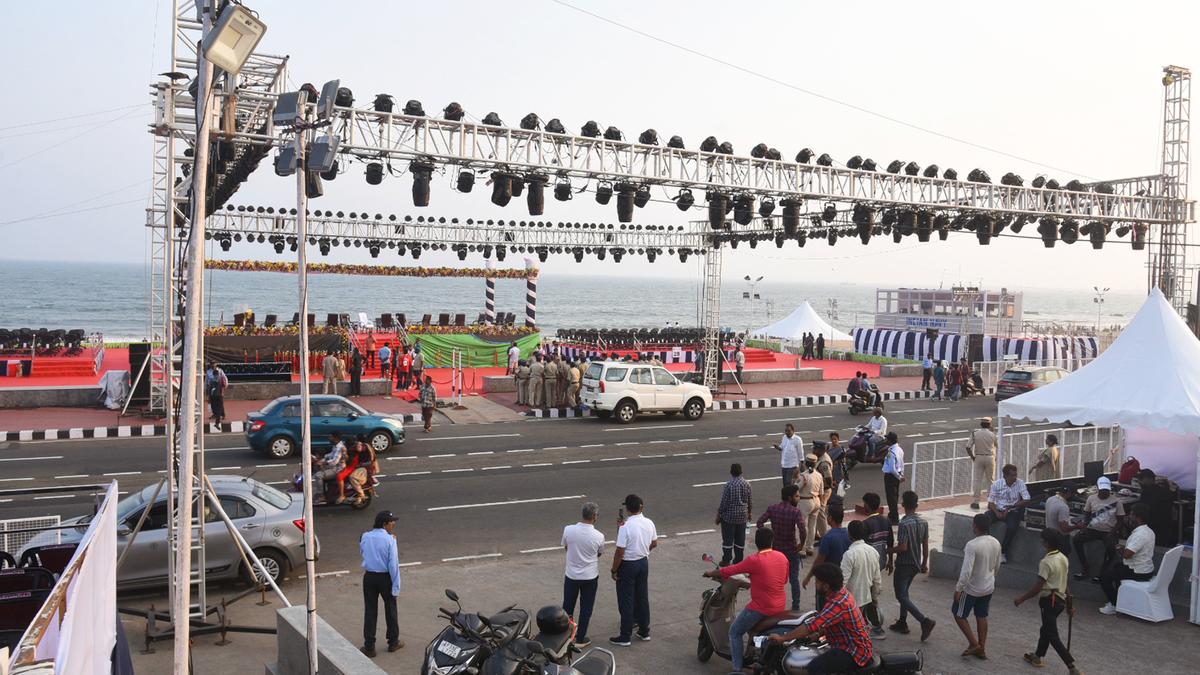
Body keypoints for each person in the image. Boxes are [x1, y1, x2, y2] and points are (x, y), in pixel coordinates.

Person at [704, 527, 789, 672]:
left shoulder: (754, 560)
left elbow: (731, 570)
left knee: (735, 631)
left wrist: (711, 572)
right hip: (780, 605)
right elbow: (784, 580)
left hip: (762, 607)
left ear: (756, 543)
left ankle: (737, 669)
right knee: (745, 623)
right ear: (772, 541)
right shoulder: (782, 557)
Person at [770, 563, 874, 674]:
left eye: (817, 582)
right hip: (847, 644)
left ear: (826, 586)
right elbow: (827, 621)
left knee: (815, 667)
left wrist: (782, 638)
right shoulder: (839, 594)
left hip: (854, 651)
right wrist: (816, 635)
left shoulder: (838, 603)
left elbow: (811, 626)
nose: (815, 584)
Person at [1014, 529, 1083, 675]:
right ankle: (1037, 656)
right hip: (1060, 601)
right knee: (1046, 629)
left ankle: (1071, 666)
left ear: (1046, 543)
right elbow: (1065, 584)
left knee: (1052, 634)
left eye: (1043, 540)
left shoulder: (1046, 562)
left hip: (1049, 602)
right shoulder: (1063, 558)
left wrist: (1022, 599)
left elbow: (1038, 587)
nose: (1041, 541)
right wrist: (1070, 605)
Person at [610, 494, 657, 647]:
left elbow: (620, 551)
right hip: (643, 562)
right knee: (642, 597)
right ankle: (644, 631)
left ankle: (625, 636)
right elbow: (654, 543)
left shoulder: (626, 526)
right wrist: (644, 550)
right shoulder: (649, 522)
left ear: (628, 509)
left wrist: (614, 569)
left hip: (628, 565)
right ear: (640, 507)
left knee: (627, 600)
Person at [953, 513, 1002, 660]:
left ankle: (975, 645)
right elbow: (997, 566)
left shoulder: (972, 545)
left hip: (972, 588)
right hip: (988, 586)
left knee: (958, 613)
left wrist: (959, 589)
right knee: (981, 615)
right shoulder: (996, 542)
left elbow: (966, 571)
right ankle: (982, 648)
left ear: (975, 526)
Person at [889, 491, 935, 641]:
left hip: (904, 564)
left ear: (902, 505)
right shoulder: (923, 522)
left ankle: (924, 621)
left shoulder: (904, 523)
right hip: (916, 564)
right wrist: (924, 562)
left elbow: (902, 547)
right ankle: (902, 622)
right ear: (916, 505)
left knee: (901, 595)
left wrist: (887, 550)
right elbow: (925, 544)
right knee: (905, 594)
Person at [1099, 502, 1156, 615]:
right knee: (1116, 568)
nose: (1129, 517)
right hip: (1146, 568)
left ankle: (1114, 604)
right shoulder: (1149, 531)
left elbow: (1126, 555)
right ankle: (1120, 602)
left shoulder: (1140, 534)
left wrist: (1116, 546)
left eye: (1131, 514)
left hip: (1138, 571)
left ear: (1138, 517)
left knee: (1104, 577)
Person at [360, 510, 403, 657]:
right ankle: (393, 642)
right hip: (385, 579)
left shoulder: (365, 536)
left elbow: (363, 551)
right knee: (390, 609)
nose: (394, 524)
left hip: (369, 577)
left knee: (370, 611)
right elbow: (393, 566)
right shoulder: (390, 540)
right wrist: (396, 587)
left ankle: (369, 647)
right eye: (392, 522)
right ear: (384, 524)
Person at [757, 485, 807, 611]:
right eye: (796, 496)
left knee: (774, 578)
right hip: (791, 550)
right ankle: (796, 606)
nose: (798, 498)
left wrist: (769, 537)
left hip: (776, 550)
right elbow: (802, 529)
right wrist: (801, 544)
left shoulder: (773, 508)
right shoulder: (795, 512)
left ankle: (772, 602)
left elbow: (759, 522)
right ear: (790, 498)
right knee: (794, 579)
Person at [562, 501, 604, 648]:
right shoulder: (599, 536)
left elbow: (567, 547)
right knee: (586, 608)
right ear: (595, 517)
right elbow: (598, 553)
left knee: (567, 607)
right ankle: (580, 639)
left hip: (572, 575)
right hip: (590, 577)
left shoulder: (568, 530)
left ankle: (565, 636)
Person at [1072, 476, 1125, 581]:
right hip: (1093, 529)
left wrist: (1113, 532)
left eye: (1106, 490)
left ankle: (1102, 573)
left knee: (1111, 548)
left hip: (1108, 531)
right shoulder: (1091, 498)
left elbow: (1120, 520)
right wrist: (1085, 527)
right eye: (1102, 490)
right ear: (1098, 488)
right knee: (1076, 540)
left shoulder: (1117, 502)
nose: (1104, 492)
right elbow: (1086, 514)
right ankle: (1085, 567)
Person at [841, 520, 885, 638]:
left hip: (852, 601)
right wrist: (875, 596)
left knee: (853, 633)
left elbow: (842, 582)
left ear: (849, 535)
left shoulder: (849, 555)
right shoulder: (873, 551)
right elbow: (877, 578)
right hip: (867, 598)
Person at [804, 503, 850, 610]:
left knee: (823, 607)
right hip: (843, 576)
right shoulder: (848, 534)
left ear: (830, 518)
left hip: (827, 578)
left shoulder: (827, 537)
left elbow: (819, 561)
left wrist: (808, 577)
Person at [987, 463, 1031, 563]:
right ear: (1005, 476)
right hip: (998, 509)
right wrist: (997, 512)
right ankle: (986, 547)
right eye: (1012, 475)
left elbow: (1027, 499)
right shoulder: (996, 484)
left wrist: (1013, 506)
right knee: (985, 520)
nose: (1015, 477)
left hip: (1012, 510)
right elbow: (990, 502)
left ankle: (1003, 552)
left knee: (1012, 527)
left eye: (1016, 475)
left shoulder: (1020, 483)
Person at [716, 463, 753, 566]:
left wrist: (719, 515)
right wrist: (749, 513)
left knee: (728, 540)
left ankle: (726, 560)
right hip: (742, 517)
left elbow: (724, 502)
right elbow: (749, 501)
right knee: (740, 540)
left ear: (731, 472)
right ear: (741, 472)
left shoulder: (729, 485)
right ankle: (738, 560)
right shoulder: (747, 484)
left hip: (729, 518)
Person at [1135, 468, 1177, 547]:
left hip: (1153, 528)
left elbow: (1143, 512)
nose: (1139, 482)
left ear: (1150, 479)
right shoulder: (1166, 492)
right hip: (1165, 529)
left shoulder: (1147, 493)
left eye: (1141, 479)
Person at [861, 492, 894, 578]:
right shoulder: (887, 521)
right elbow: (890, 543)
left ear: (867, 505)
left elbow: (861, 545)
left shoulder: (866, 523)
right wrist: (890, 561)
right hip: (881, 561)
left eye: (864, 503)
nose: (863, 506)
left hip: (869, 563)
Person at [966, 418, 997, 510]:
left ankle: (976, 502)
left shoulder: (975, 433)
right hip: (990, 457)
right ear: (989, 424)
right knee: (990, 480)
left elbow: (968, 447)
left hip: (978, 457)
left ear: (981, 424)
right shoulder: (992, 434)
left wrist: (973, 457)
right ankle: (990, 502)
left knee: (977, 480)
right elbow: (997, 445)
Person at [798, 453, 824, 556]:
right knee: (812, 526)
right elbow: (821, 492)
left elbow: (796, 488)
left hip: (805, 501)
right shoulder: (819, 475)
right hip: (816, 500)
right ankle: (810, 547)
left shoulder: (803, 475)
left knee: (802, 526)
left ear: (805, 463)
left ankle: (802, 549)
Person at [1043, 485, 1079, 557]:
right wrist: (1078, 526)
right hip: (1059, 539)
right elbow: (1064, 529)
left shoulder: (1050, 499)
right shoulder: (1063, 507)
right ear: (1068, 493)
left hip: (1049, 535)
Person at [314, 431, 347, 504]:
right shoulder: (336, 446)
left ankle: (321, 495)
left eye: (330, 437)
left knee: (318, 475)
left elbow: (335, 461)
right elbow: (330, 455)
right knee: (318, 471)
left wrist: (323, 462)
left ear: (335, 438)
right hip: (333, 467)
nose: (329, 438)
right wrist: (321, 459)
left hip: (337, 469)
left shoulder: (340, 448)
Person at [880, 432, 905, 525]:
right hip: (897, 475)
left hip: (891, 476)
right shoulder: (899, 449)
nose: (885, 440)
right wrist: (901, 475)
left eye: (887, 439)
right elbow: (901, 464)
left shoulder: (891, 452)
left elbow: (891, 468)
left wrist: (899, 476)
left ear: (890, 441)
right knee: (895, 496)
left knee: (891, 498)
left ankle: (894, 518)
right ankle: (892, 515)